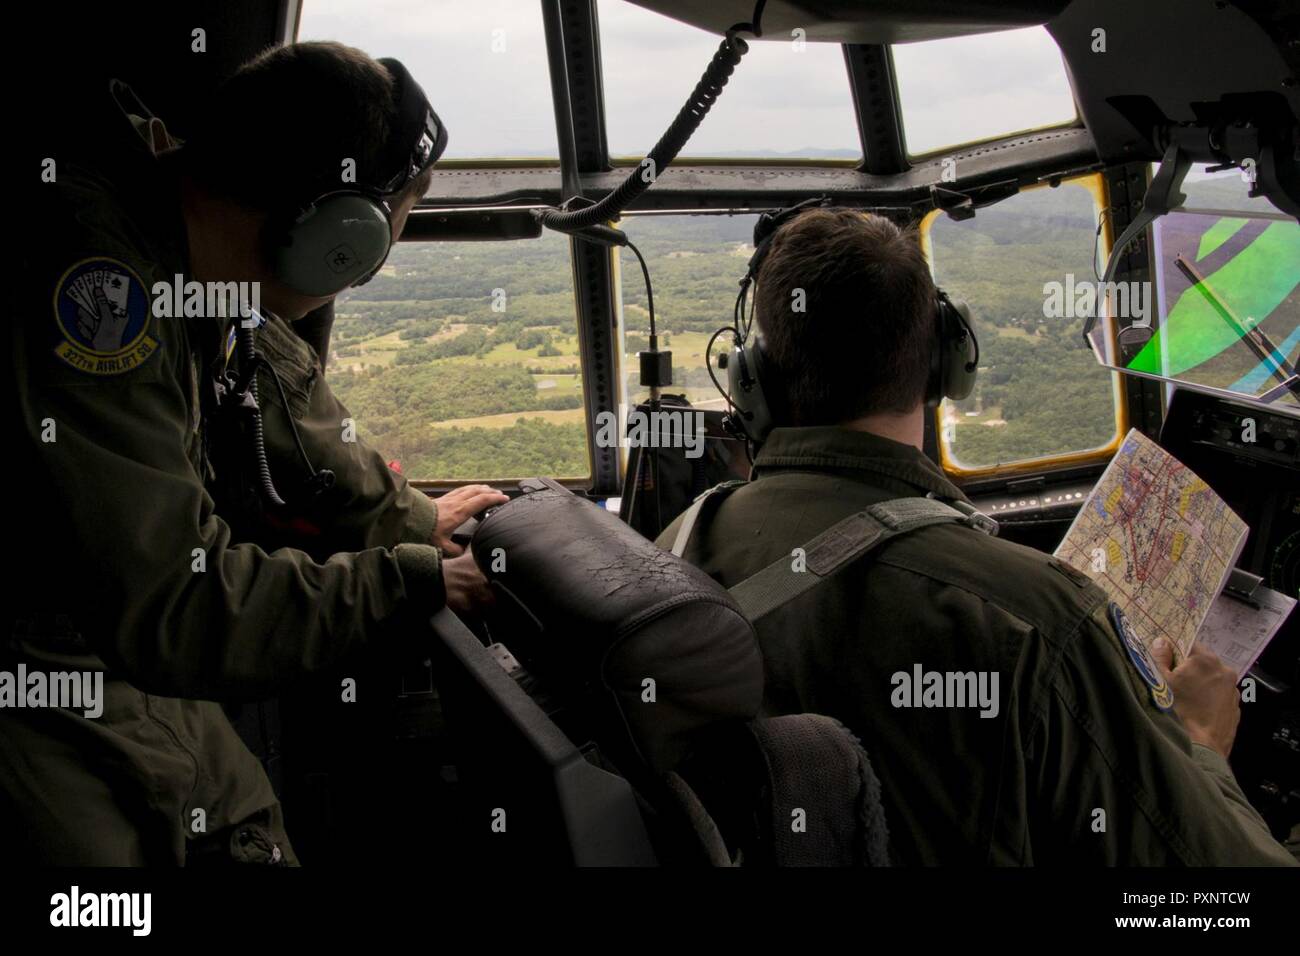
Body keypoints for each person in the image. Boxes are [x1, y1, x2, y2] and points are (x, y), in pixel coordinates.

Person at [657, 207, 1296, 865]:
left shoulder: (678, 549)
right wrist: (1198, 745)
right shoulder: (1036, 622)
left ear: (751, 378)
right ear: (944, 362)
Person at [2, 41, 507, 865]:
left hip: (107, 653)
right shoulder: (98, 287)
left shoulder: (189, 242)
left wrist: (414, 520)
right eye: (390, 228)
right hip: (39, 674)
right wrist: (409, 577)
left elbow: (278, 401)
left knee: (251, 836)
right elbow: (171, 606)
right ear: (340, 234)